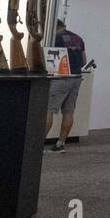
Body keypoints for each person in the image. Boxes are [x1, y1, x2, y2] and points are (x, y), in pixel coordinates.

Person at [45, 19, 87, 153]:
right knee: (69, 112)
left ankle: (37, 145)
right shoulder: (79, 38)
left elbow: (50, 61)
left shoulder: (54, 39)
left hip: (60, 78)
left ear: (53, 27)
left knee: (48, 110)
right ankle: (61, 144)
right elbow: (84, 61)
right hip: (76, 78)